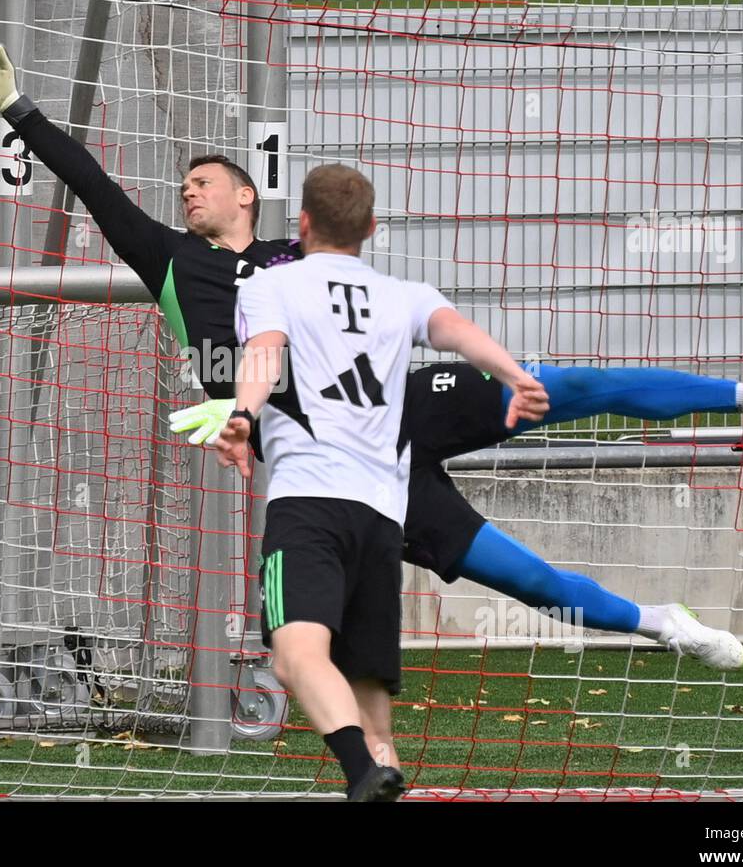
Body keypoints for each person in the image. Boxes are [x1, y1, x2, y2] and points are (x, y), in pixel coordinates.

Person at [0, 34, 743, 679]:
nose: (187, 191)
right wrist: (15, 106)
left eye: (203, 181)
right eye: (184, 188)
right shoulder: (174, 262)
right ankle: (662, 624)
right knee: (521, 576)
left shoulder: (305, 259)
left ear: (247, 195)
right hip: (344, 470)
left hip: (399, 402)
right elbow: (92, 183)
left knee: (568, 386)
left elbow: (378, 292)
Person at [213, 164, 548, 799]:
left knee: (294, 655)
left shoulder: (270, 285)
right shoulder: (407, 294)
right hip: (381, 516)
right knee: (366, 682)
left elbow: (265, 350)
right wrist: (513, 375)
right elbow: (459, 333)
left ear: (302, 223)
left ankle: (362, 772)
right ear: (370, 227)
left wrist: (241, 413)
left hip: (309, 504)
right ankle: (385, 776)